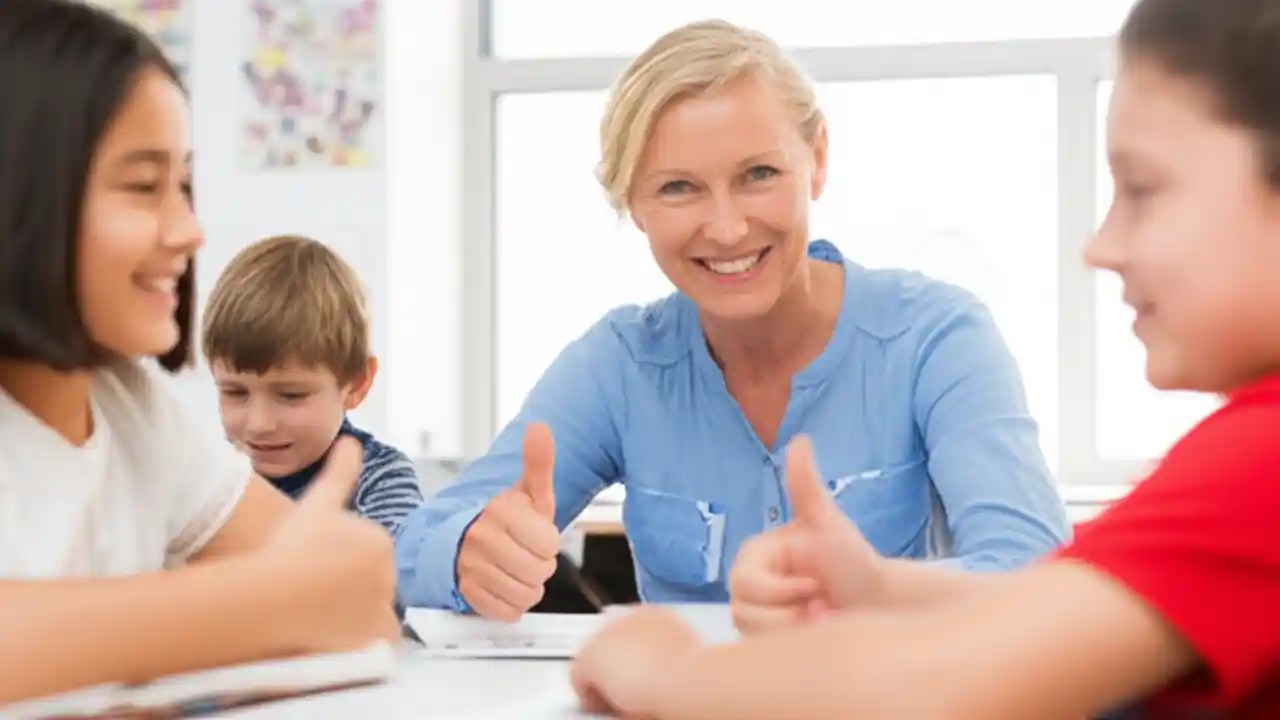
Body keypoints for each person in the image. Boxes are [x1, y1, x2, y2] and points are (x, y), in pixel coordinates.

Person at [569, 0, 1280, 716]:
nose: (1101, 246)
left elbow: (937, 691)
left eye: (1144, 190)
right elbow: (1058, 598)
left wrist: (662, 671)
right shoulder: (1241, 455)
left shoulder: (1261, 460)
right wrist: (879, 589)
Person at [396, 18, 1068, 621]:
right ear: (634, 203)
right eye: (678, 187)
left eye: (758, 174)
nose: (726, 228)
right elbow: (413, 545)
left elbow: (1032, 568)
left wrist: (866, 591)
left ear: (818, 159)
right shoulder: (619, 365)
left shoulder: (937, 339)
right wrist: (466, 552)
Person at [0, 0, 397, 704]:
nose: (189, 231)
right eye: (144, 187)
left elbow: (350, 602)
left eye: (182, 185)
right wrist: (263, 604)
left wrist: (301, 594)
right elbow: (295, 594)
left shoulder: (133, 409)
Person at [202, 235, 424, 535]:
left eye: (291, 396)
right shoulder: (209, 476)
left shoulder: (378, 478)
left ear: (357, 384)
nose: (259, 424)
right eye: (234, 392)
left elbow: (395, 570)